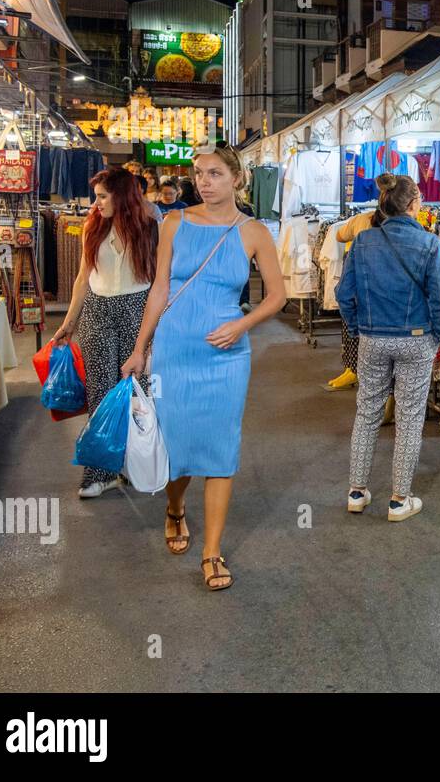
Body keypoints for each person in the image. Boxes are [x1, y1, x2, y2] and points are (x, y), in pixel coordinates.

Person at [121, 146, 285, 591]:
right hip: (174, 348)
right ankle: (175, 508)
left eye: (214, 173)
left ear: (237, 179)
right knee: (174, 442)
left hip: (226, 355)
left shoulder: (253, 232)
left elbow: (277, 296)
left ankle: (212, 551)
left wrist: (241, 325)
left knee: (220, 446)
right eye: (199, 173)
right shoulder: (174, 222)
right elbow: (159, 289)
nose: (204, 181)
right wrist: (140, 348)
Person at [337, 175, 440, 520]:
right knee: (409, 418)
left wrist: (358, 328)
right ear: (414, 205)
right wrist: (437, 335)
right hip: (416, 338)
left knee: (367, 413)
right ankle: (399, 500)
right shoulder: (430, 243)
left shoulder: (363, 240)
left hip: (373, 337)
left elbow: (344, 294)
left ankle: (356, 493)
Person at [51, 168, 160, 498]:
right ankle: (99, 473)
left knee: (136, 393)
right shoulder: (92, 226)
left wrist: (156, 331)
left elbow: (160, 281)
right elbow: (83, 277)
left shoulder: (149, 226)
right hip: (97, 311)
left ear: (122, 196)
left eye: (102, 196)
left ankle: (135, 464)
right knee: (99, 392)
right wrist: (68, 324)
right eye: (96, 196)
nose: (96, 203)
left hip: (137, 309)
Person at [325, 172, 394, 391]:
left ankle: (353, 369)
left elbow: (339, 236)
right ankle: (386, 388)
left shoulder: (361, 221)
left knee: (354, 328)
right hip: (390, 292)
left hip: (361, 284)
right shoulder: (409, 228)